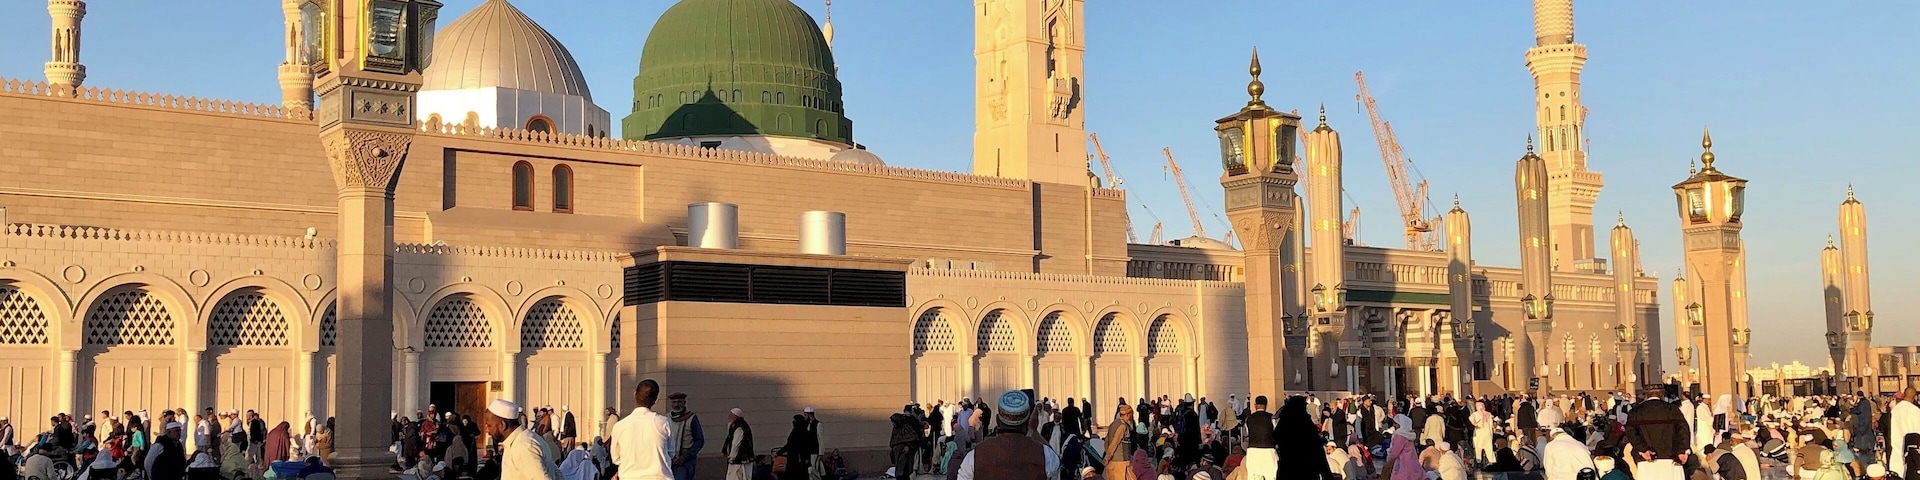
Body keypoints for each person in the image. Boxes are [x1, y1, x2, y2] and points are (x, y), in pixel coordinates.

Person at [954, 390, 1058, 480]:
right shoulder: (1043, 454)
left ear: (998, 421)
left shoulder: (976, 456)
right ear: (1027, 423)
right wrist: (1033, 431)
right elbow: (1056, 462)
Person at [1624, 384, 1691, 480]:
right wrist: (1682, 450)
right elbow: (1683, 430)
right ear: (1662, 395)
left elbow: (1631, 432)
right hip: (1671, 460)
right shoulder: (1672, 409)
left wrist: (1643, 450)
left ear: (1646, 395)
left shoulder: (1636, 411)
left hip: (1647, 460)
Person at [610, 380, 674, 480]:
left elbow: (616, 458)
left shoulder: (619, 426)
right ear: (656, 400)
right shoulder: (663, 422)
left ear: (634, 393)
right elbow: (671, 453)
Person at [487, 399, 561, 480]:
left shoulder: (523, 446)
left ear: (502, 425)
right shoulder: (522, 440)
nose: (487, 431)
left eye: (489, 425)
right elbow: (556, 473)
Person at [1275, 396, 1329, 480]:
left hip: (1287, 469)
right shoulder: (1306, 423)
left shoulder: (1283, 423)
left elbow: (1275, 439)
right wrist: (1326, 473)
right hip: (1307, 469)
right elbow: (1317, 450)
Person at [662, 393, 703, 480]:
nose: (677, 405)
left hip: (685, 459)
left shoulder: (691, 418)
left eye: (679, 402)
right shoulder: (666, 418)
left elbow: (699, 441)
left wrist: (686, 456)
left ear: (684, 403)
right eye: (674, 402)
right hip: (670, 459)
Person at [1239, 396, 1276, 480]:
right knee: (1270, 476)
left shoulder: (1249, 419)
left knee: (1253, 476)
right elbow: (1275, 433)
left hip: (1253, 451)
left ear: (1255, 405)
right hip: (1268, 451)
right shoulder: (1271, 418)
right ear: (1266, 405)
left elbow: (1247, 434)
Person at [1382, 416, 1421, 480]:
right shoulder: (1409, 435)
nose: (1394, 425)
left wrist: (1389, 459)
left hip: (1402, 464)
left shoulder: (1399, 436)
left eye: (1396, 423)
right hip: (1412, 462)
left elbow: (1394, 453)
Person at [1893, 388, 1920, 480]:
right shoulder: (1915, 411)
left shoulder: (1894, 410)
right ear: (1915, 397)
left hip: (1896, 447)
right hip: (1912, 449)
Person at [717, 409, 752, 480]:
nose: (729, 417)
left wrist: (732, 456)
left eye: (731, 415)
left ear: (736, 417)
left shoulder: (740, 428)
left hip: (740, 460)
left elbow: (736, 444)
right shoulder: (735, 426)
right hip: (738, 459)